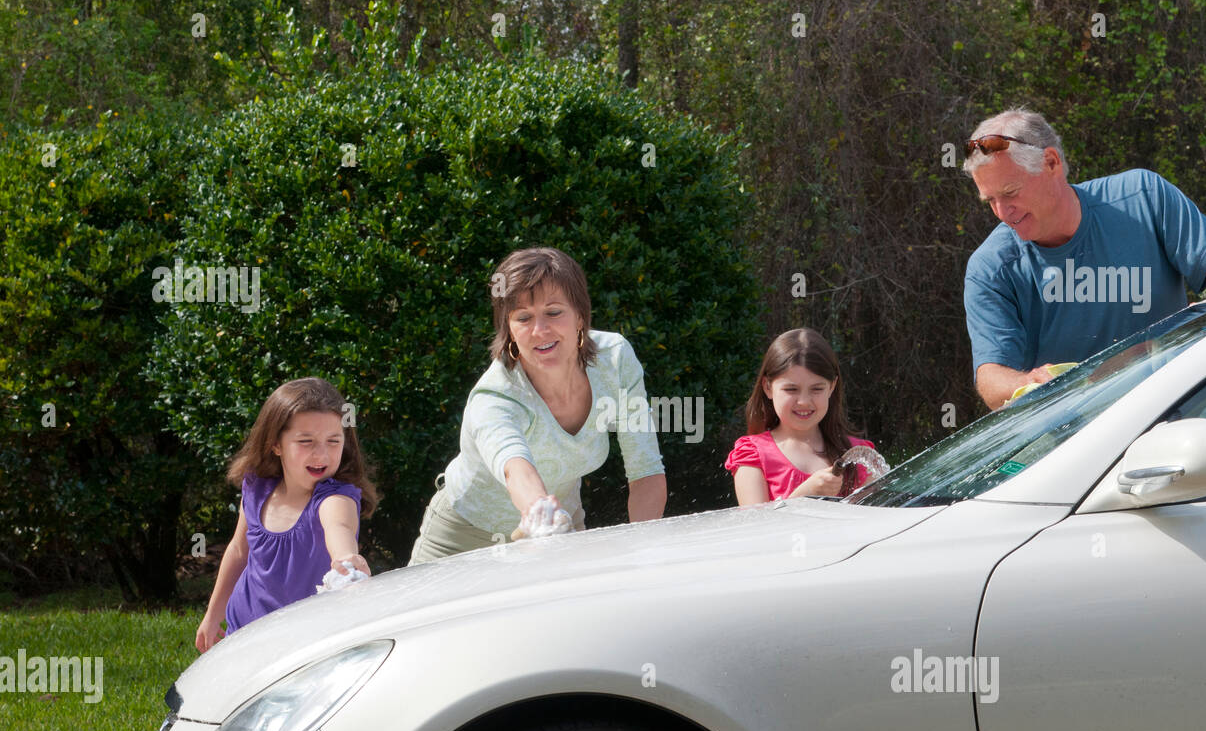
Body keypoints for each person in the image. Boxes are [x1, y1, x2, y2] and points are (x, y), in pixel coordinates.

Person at [961, 108, 1206, 409]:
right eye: (990, 200)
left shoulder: (1143, 197)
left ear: (1051, 163)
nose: (1002, 212)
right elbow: (990, 379)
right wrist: (1028, 383)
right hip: (1082, 441)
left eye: (1010, 192)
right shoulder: (990, 268)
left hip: (1182, 411)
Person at [408, 247, 667, 562]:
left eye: (554, 312)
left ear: (580, 316)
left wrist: (644, 552)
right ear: (510, 330)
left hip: (559, 527)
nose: (540, 330)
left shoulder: (614, 360)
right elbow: (516, 469)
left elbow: (646, 470)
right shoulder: (495, 397)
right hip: (462, 537)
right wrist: (539, 511)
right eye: (523, 317)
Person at [195, 378, 379, 653]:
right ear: (275, 444)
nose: (321, 454)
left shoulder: (336, 498)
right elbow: (238, 550)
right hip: (242, 632)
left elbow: (338, 528)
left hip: (300, 646)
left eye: (333, 441)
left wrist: (346, 561)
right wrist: (213, 613)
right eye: (306, 441)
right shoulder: (256, 487)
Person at [726, 328, 878, 504]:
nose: (804, 401)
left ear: (832, 387)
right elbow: (758, 528)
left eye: (817, 389)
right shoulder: (753, 456)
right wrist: (805, 494)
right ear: (767, 387)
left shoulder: (858, 456)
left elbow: (876, 523)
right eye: (791, 389)